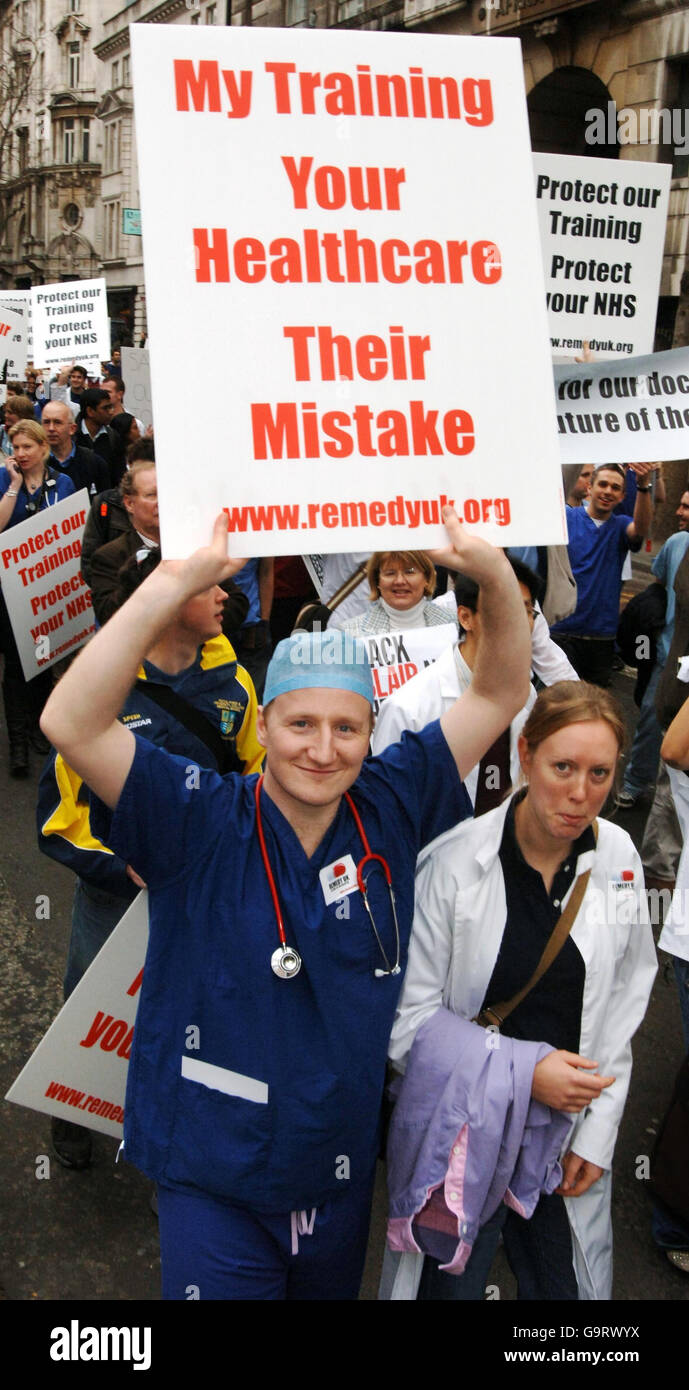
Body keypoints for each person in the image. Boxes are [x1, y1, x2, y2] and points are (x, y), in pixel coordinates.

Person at [40, 507, 532, 1301]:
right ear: (263, 726)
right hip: (212, 1169)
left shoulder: (391, 804)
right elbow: (68, 719)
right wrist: (170, 582)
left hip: (330, 1168)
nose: (323, 748)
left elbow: (502, 688)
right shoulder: (194, 812)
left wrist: (491, 572)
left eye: (347, 727)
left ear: (372, 735)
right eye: (300, 722)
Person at [388, 681, 657, 1300]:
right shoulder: (455, 864)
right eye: (563, 767)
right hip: (466, 1133)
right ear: (525, 754)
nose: (580, 793)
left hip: (566, 1139)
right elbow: (407, 1024)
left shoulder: (616, 856)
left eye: (600, 774)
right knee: (450, 1284)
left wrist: (598, 1131)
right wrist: (525, 1073)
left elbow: (623, 1003)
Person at [38, 578, 264, 1171]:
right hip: (114, 901)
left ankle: (168, 1153)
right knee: (95, 1009)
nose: (226, 595)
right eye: (208, 586)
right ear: (165, 604)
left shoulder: (235, 682)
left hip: (199, 896)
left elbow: (254, 779)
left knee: (189, 1016)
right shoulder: (103, 686)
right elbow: (59, 820)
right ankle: (72, 1110)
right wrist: (120, 868)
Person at [372, 558, 577, 812]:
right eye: (504, 608)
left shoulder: (525, 694)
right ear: (466, 618)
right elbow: (385, 805)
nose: (520, 623)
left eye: (526, 611)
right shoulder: (408, 708)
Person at [0, 422, 75, 774]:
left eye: (28, 446)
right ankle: (17, 743)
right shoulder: (5, 480)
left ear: (43, 447)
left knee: (44, 660)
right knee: (16, 666)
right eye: (16, 446)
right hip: (11, 592)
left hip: (48, 591)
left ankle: (37, 728)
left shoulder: (62, 483)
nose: (21, 453)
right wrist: (14, 487)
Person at [616, 489, 689, 811]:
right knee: (651, 718)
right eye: (681, 504)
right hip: (668, 655)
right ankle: (635, 782)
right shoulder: (675, 545)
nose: (679, 512)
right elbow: (659, 584)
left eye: (687, 506)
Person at [551, 462, 654, 686]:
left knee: (592, 709)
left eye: (616, 488)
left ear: (622, 496)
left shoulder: (621, 526)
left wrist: (644, 487)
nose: (608, 491)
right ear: (589, 488)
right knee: (557, 707)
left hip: (600, 638)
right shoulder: (566, 519)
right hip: (561, 633)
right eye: (603, 484)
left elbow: (640, 530)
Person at [341, 551, 457, 637]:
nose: (400, 581)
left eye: (409, 572)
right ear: (377, 581)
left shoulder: (455, 624)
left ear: (426, 578)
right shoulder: (349, 633)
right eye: (390, 573)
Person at [42, 399, 110, 498]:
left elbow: (105, 504)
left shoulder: (94, 463)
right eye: (46, 422)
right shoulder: (36, 464)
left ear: (72, 429)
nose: (51, 428)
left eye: (57, 422)